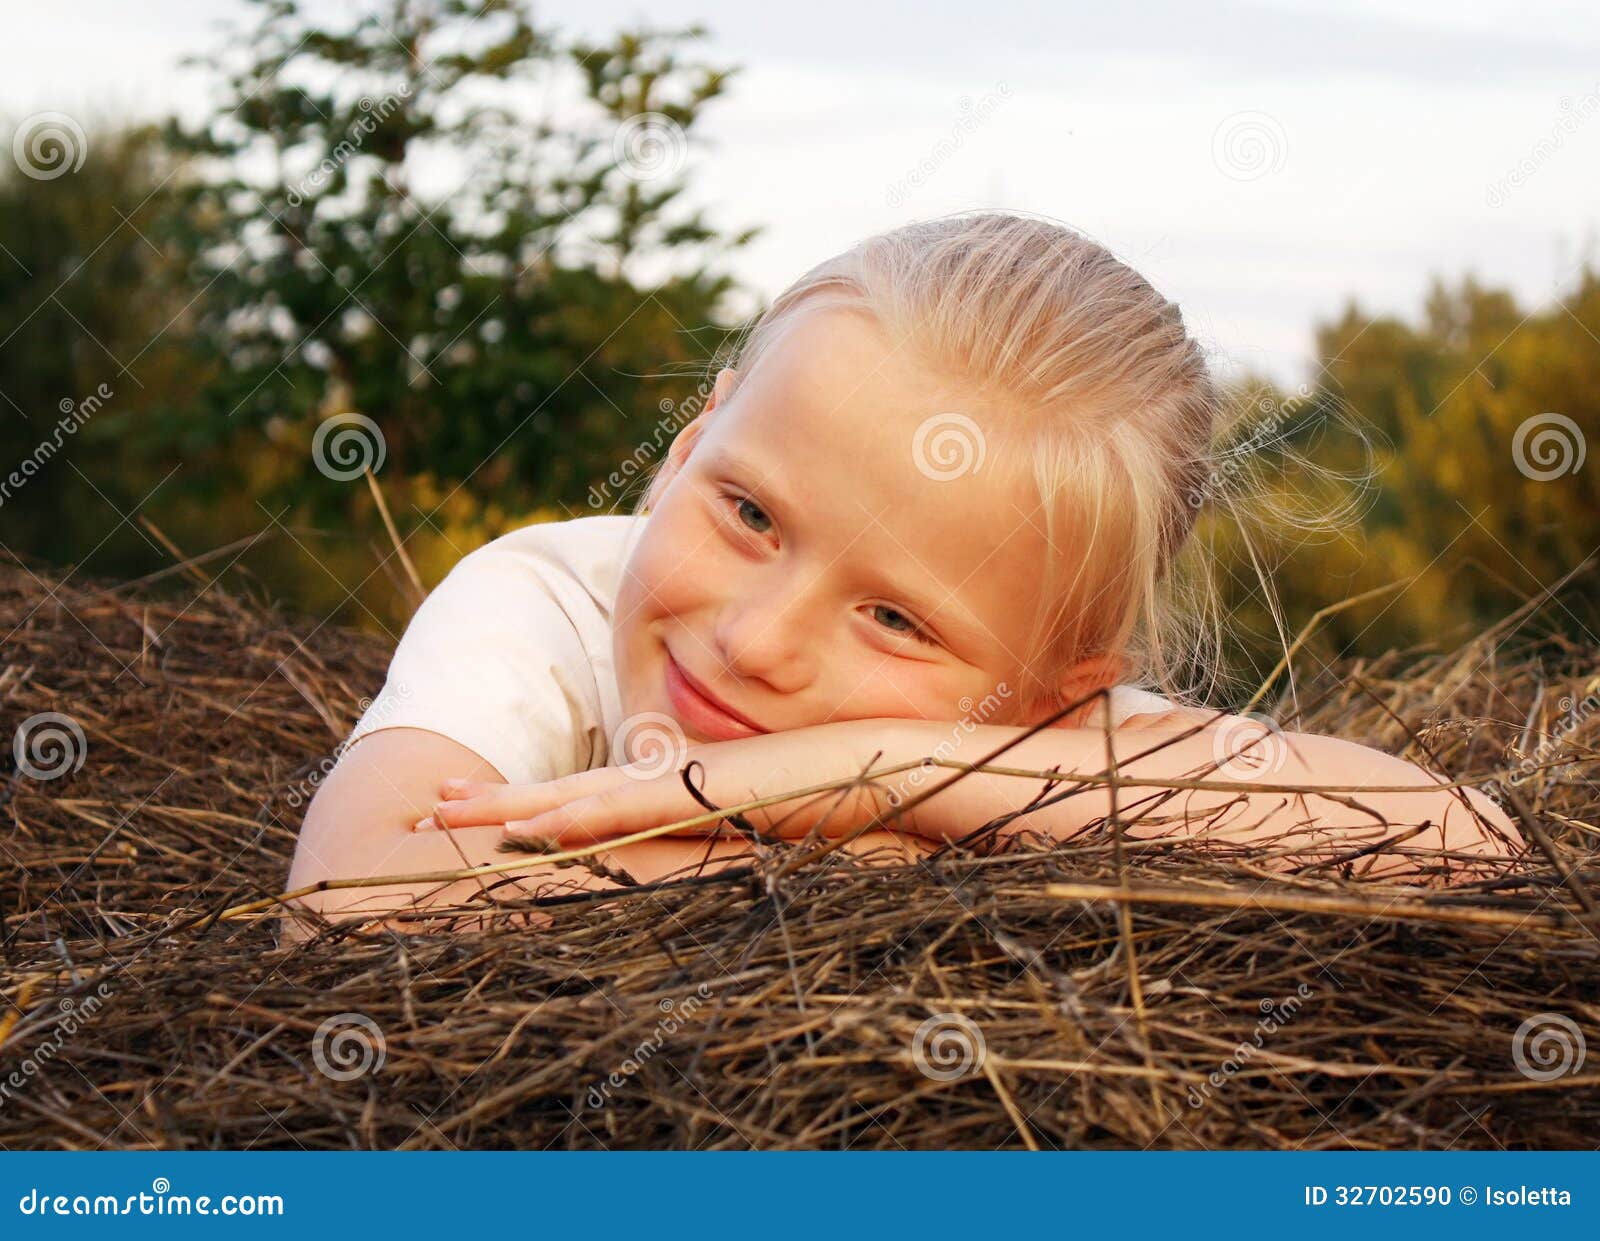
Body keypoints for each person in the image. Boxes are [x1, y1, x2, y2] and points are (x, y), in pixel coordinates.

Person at [283, 212, 1524, 935]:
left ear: (1052, 692)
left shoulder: (999, 732)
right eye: (751, 512)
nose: (760, 641)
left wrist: (906, 773)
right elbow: (342, 896)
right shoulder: (547, 596)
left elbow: (1470, 846)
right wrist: (873, 857)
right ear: (681, 450)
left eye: (894, 617)